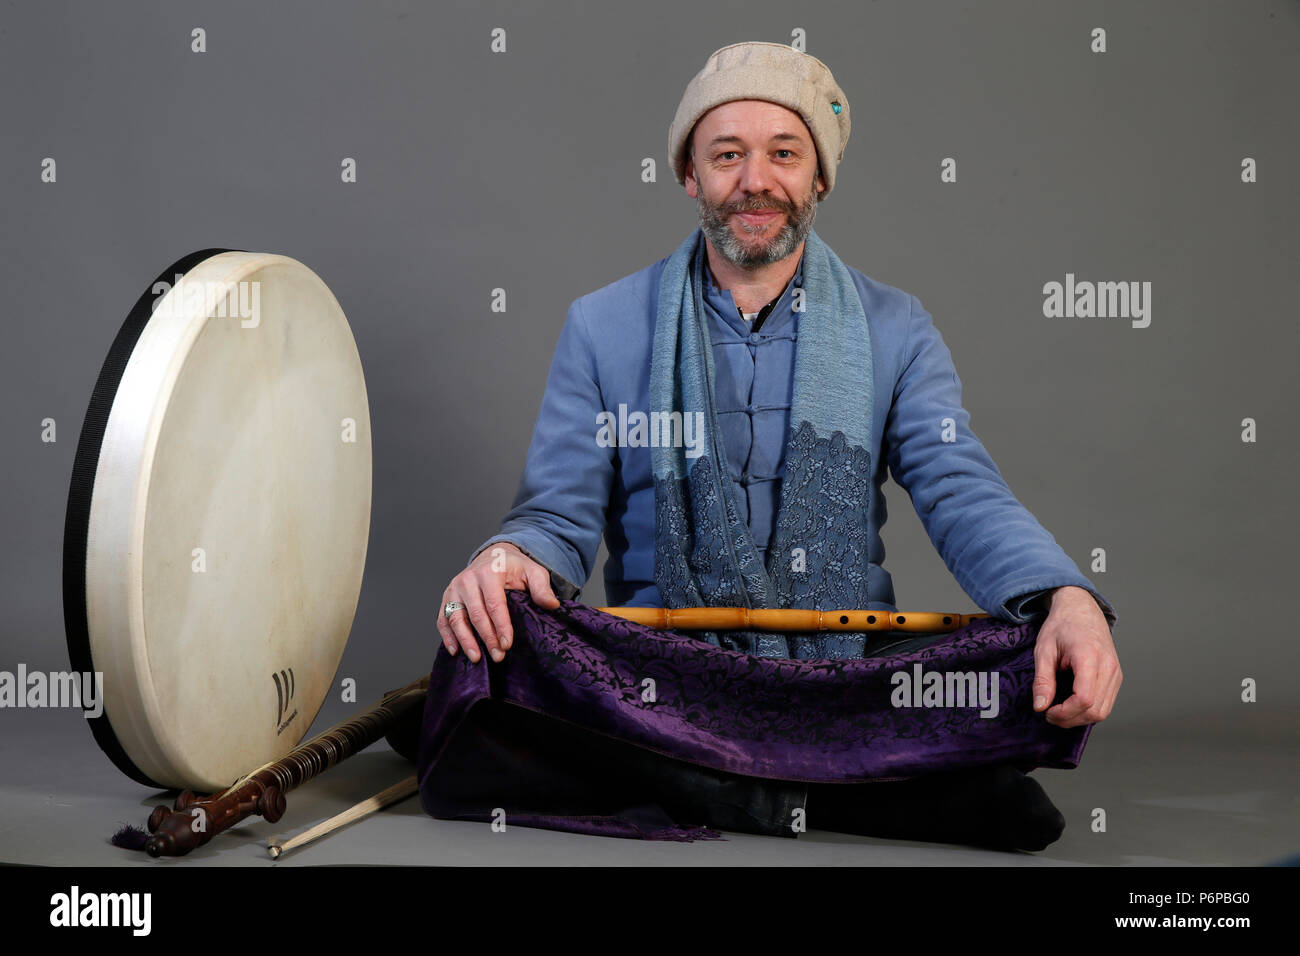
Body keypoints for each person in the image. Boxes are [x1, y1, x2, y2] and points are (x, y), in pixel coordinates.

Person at [434, 41, 1122, 850]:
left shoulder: (896, 329)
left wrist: (1066, 598)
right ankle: (845, 785)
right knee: (493, 642)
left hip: (844, 671)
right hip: (661, 673)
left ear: (819, 177)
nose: (754, 181)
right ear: (689, 174)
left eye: (783, 154)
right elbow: (558, 511)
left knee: (1012, 655)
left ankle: (713, 779)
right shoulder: (603, 324)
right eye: (727, 155)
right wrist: (509, 558)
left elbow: (960, 490)